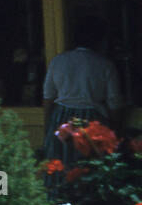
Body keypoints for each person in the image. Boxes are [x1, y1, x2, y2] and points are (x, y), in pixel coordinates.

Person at [42, 15, 125, 166]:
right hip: (93, 122)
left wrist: (48, 126)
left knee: (61, 167)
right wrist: (116, 129)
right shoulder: (105, 65)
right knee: (89, 168)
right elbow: (115, 103)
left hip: (61, 119)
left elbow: (48, 97)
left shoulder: (58, 61)